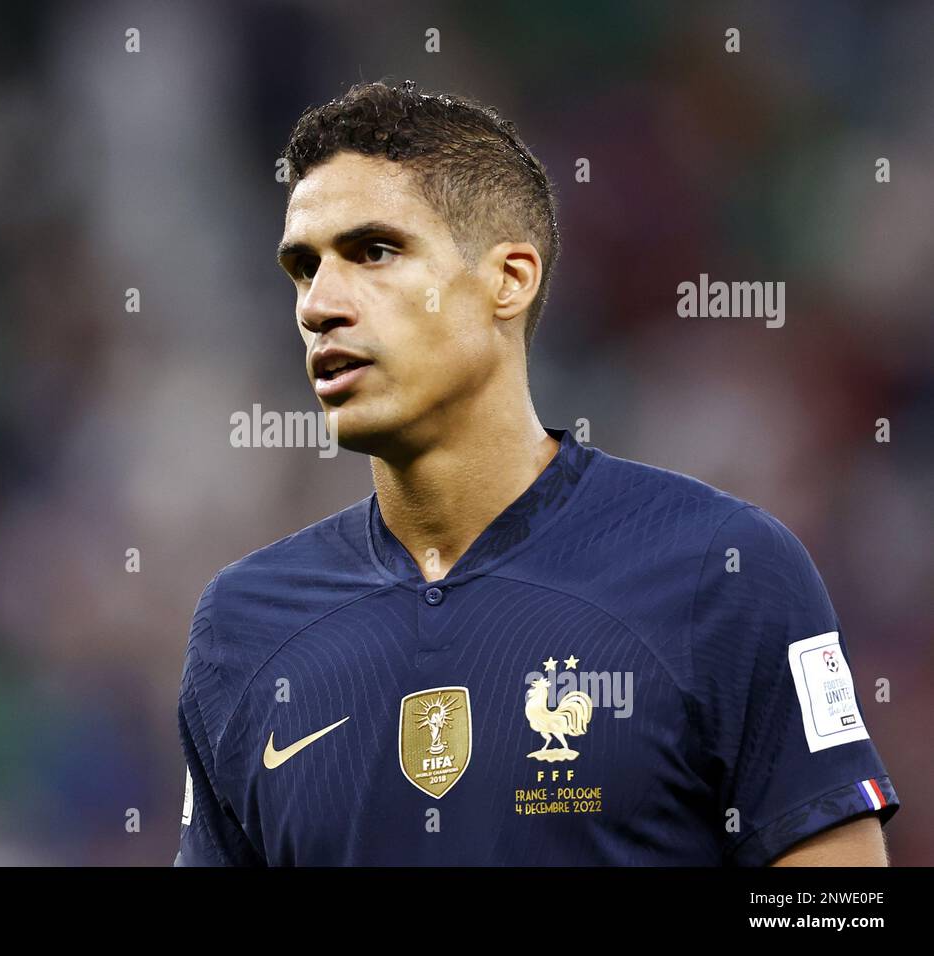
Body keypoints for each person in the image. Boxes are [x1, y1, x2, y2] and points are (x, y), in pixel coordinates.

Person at [174, 79, 897, 865]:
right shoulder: (243, 627)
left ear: (508, 280)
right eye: (304, 268)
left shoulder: (721, 572)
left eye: (374, 251)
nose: (319, 304)